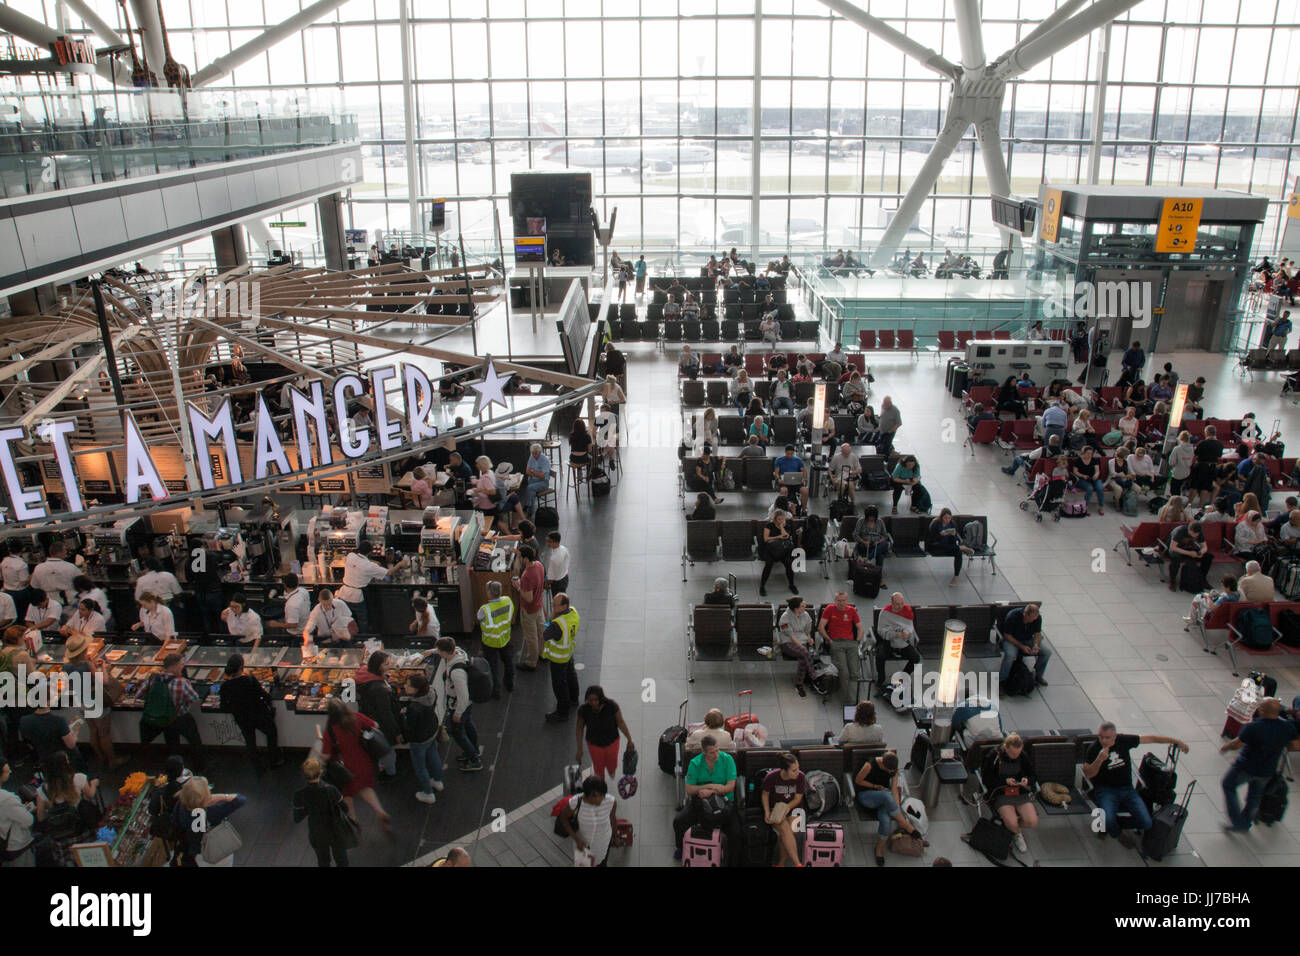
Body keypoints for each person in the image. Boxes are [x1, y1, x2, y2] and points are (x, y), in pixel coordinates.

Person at [1083, 722, 1189, 847]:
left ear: (1115, 736)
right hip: (1106, 790)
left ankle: (1112, 824)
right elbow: (1088, 774)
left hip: (1127, 789)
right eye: (1101, 737)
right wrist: (1099, 759)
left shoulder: (1123, 740)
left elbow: (1150, 738)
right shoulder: (1094, 749)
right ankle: (1116, 832)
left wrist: (1176, 741)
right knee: (1109, 819)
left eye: (1107, 738)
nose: (1103, 741)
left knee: (1146, 822)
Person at [1220, 698, 1300, 832]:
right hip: (1267, 770)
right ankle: (1245, 822)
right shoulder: (1287, 727)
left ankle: (1238, 822)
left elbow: (1237, 744)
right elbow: (1294, 745)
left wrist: (1225, 747)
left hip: (1246, 767)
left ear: (1261, 711)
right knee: (1254, 797)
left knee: (1228, 785)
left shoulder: (1253, 727)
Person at [672, 735, 742, 865]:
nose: (716, 754)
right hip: (701, 803)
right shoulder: (695, 763)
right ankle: (681, 847)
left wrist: (711, 791)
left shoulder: (727, 760)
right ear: (704, 752)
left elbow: (730, 787)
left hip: (724, 803)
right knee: (679, 821)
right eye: (712, 752)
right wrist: (709, 786)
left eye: (717, 750)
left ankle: (732, 861)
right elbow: (689, 789)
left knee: (736, 832)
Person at [320, 698, 390, 828]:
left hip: (344, 768)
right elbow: (375, 725)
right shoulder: (356, 717)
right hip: (363, 761)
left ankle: (353, 818)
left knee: (346, 794)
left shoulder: (330, 731)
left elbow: (326, 756)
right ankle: (380, 811)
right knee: (365, 788)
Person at [853, 751, 922, 866]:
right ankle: (905, 824)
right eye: (889, 771)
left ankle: (879, 849)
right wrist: (875, 786)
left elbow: (894, 789)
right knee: (886, 795)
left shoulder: (893, 769)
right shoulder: (870, 765)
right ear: (884, 766)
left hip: (884, 799)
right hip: (866, 796)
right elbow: (858, 781)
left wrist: (896, 807)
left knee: (886, 820)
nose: (891, 773)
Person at [218, 653, 283, 774]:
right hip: (259, 714)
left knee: (250, 742)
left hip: (242, 718)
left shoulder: (225, 686)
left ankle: (258, 767)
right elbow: (264, 696)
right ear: (242, 667)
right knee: (271, 733)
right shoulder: (249, 680)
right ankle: (273, 760)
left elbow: (224, 706)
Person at [139, 653, 204, 768]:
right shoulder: (181, 682)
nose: (182, 667)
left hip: (164, 718)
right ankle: (199, 766)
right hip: (181, 717)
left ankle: (176, 768)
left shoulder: (153, 678)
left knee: (173, 745)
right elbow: (194, 699)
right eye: (181, 664)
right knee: (194, 741)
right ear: (174, 666)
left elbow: (139, 694)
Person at [430, 637, 483, 771]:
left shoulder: (456, 672)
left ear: (444, 652)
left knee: (457, 733)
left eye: (439, 651)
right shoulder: (460, 653)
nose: (439, 653)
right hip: (466, 706)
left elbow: (463, 697)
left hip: (459, 706)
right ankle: (474, 750)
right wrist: (431, 652)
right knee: (469, 725)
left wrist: (458, 714)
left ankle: (474, 760)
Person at [981, 733, 1038, 853]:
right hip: (1001, 792)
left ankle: (1013, 829)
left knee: (1032, 821)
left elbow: (1033, 775)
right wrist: (1004, 781)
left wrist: (1026, 780)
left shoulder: (1022, 756)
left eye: (1018, 754)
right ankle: (1016, 832)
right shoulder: (993, 756)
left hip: (1019, 792)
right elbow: (986, 779)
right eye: (1012, 754)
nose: (1015, 756)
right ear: (1006, 748)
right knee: (1011, 822)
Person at [172, 776, 246, 867]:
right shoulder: (213, 811)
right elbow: (240, 799)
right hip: (219, 850)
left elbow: (176, 823)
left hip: (198, 854)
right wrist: (223, 796)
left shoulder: (179, 806)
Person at [293, 757, 350, 866]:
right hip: (335, 829)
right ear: (320, 772)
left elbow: (297, 818)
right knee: (341, 860)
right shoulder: (331, 790)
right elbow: (345, 808)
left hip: (317, 832)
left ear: (304, 775)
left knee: (323, 861)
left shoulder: (299, 795)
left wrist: (309, 807)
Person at [354, 651, 401, 778]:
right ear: (378, 666)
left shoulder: (366, 675)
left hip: (372, 721)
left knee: (380, 748)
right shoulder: (379, 689)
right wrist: (396, 733)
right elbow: (386, 714)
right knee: (388, 752)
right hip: (382, 726)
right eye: (386, 664)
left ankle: (382, 768)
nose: (389, 666)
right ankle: (390, 774)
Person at [338, 546, 405, 634]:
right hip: (356, 596)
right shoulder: (369, 566)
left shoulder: (351, 556)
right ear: (370, 553)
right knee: (363, 619)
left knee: (347, 618)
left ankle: (350, 638)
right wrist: (400, 564)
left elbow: (359, 563)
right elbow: (388, 573)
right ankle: (364, 638)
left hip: (343, 593)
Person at [401, 671, 444, 805]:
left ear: (416, 689)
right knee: (433, 755)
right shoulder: (431, 692)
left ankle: (428, 793)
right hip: (431, 731)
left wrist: (404, 715)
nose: (404, 687)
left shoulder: (414, 708)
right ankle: (438, 781)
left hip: (419, 739)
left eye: (408, 685)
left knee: (420, 767)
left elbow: (410, 727)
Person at [575, 685, 634, 782]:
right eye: (590, 700)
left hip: (612, 742)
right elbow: (579, 729)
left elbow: (620, 722)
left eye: (596, 700)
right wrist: (579, 749)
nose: (593, 703)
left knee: (612, 763)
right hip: (594, 744)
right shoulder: (583, 710)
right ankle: (601, 784)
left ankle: (611, 770)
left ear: (601, 698)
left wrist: (629, 739)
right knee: (598, 767)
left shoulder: (612, 706)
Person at [560, 775, 619, 867]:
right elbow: (563, 819)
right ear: (587, 794)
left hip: (603, 842)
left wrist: (615, 836)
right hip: (583, 846)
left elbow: (612, 819)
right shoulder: (575, 803)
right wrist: (576, 839)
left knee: (602, 863)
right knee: (584, 865)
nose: (601, 799)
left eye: (602, 795)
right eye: (596, 796)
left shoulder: (611, 801)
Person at [762, 753, 807, 868]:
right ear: (784, 770)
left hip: (795, 808)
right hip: (776, 808)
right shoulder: (771, 777)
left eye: (798, 768)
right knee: (785, 831)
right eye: (794, 770)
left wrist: (786, 808)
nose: (797, 772)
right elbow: (765, 795)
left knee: (789, 832)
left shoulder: (801, 777)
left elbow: (798, 799)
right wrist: (767, 812)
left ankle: (781, 863)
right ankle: (797, 864)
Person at [541, 593, 581, 723]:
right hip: (568, 651)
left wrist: (552, 616)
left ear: (564, 606)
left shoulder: (557, 624)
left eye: (555, 605)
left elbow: (545, 635)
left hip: (558, 658)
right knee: (571, 675)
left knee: (559, 685)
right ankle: (574, 699)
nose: (553, 607)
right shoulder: (573, 612)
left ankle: (563, 712)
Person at [818, 591, 862, 705]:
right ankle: (850, 701)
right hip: (836, 643)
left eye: (843, 600)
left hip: (851, 643)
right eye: (839, 600)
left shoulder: (852, 611)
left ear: (847, 601)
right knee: (844, 672)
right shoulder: (829, 609)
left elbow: (860, 629)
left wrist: (857, 641)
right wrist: (829, 640)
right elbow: (821, 627)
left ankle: (854, 698)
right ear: (835, 600)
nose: (841, 603)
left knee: (854, 672)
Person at [478, 578, 517, 698]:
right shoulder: (508, 600)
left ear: (490, 593)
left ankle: (496, 690)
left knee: (493, 667)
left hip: (490, 642)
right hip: (505, 638)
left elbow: (479, 618)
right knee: (509, 662)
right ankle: (509, 684)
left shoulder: (484, 609)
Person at [999, 603, 1052, 687]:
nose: (1032, 621)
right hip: (1011, 640)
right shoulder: (1013, 616)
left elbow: (1037, 633)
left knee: (1046, 653)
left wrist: (1035, 644)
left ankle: (1037, 676)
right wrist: (1021, 646)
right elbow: (1007, 635)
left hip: (1027, 639)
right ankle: (1002, 680)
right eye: (1030, 619)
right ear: (1025, 614)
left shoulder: (1037, 618)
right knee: (1010, 655)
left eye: (1035, 618)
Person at [777, 596, 815, 697]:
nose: (804, 607)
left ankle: (799, 684)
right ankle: (813, 675)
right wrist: (801, 646)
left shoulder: (805, 615)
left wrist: (809, 638)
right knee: (805, 653)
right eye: (802, 606)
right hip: (788, 642)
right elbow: (791, 636)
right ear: (796, 608)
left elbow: (807, 631)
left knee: (803, 657)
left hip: (802, 640)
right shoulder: (785, 618)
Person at [927, 508, 975, 586]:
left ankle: (956, 577)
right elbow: (931, 539)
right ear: (941, 517)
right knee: (956, 548)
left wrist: (953, 535)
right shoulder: (935, 523)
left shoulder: (952, 523)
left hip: (949, 546)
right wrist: (940, 535)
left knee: (958, 553)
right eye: (945, 518)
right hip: (936, 547)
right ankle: (962, 548)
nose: (947, 520)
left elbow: (955, 538)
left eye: (949, 518)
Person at [0, 759, 35, 866]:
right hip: (16, 847)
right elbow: (28, 821)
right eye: (7, 770)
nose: (10, 772)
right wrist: (28, 809)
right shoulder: (8, 799)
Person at [759, 509, 798, 598]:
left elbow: (786, 536)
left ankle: (791, 585)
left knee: (789, 564)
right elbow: (766, 539)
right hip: (770, 550)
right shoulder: (769, 525)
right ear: (775, 519)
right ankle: (762, 586)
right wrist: (777, 537)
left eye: (782, 519)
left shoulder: (786, 526)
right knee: (768, 565)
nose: (781, 521)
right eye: (779, 519)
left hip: (783, 549)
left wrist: (781, 527)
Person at [1167, 521, 1215, 592]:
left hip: (1188, 548)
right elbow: (1172, 547)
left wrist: (1201, 552)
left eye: (1197, 534)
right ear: (1189, 530)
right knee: (1176, 558)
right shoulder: (1180, 531)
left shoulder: (1199, 532)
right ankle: (1172, 580)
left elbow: (1205, 547)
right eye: (1193, 534)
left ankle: (1202, 578)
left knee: (1208, 556)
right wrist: (1189, 553)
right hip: (1176, 549)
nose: (1195, 536)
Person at [1071, 445, 1105, 515]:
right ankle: (1085, 506)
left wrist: (1096, 475)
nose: (1090, 455)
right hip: (1082, 479)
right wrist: (1082, 476)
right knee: (1090, 488)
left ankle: (1101, 506)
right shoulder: (1078, 460)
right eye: (1088, 453)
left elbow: (1097, 471)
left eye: (1091, 453)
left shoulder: (1094, 460)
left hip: (1093, 478)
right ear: (1084, 453)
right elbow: (1075, 472)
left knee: (1100, 488)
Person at [772, 444, 808, 510]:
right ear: (785, 452)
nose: (790, 455)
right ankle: (782, 509)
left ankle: (804, 509)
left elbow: (804, 471)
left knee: (805, 491)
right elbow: (776, 472)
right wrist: (778, 479)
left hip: (796, 481)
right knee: (783, 490)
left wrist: (804, 479)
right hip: (784, 481)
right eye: (788, 454)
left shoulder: (798, 460)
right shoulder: (779, 460)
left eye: (791, 454)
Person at [520, 443, 552, 513]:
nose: (534, 455)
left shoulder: (545, 460)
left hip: (543, 482)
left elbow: (542, 476)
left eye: (536, 453)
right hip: (534, 480)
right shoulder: (531, 457)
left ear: (540, 452)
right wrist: (536, 473)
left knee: (529, 488)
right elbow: (527, 471)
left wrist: (533, 472)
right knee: (531, 491)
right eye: (533, 453)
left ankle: (527, 506)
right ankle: (531, 510)